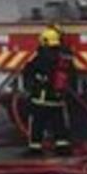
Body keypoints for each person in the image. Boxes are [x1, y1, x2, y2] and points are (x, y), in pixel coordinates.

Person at [21, 26, 74, 155]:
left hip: (41, 99)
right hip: (58, 99)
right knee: (59, 124)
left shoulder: (40, 57)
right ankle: (62, 147)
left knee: (37, 124)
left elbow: (27, 70)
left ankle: (35, 148)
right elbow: (72, 73)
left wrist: (28, 87)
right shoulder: (64, 57)